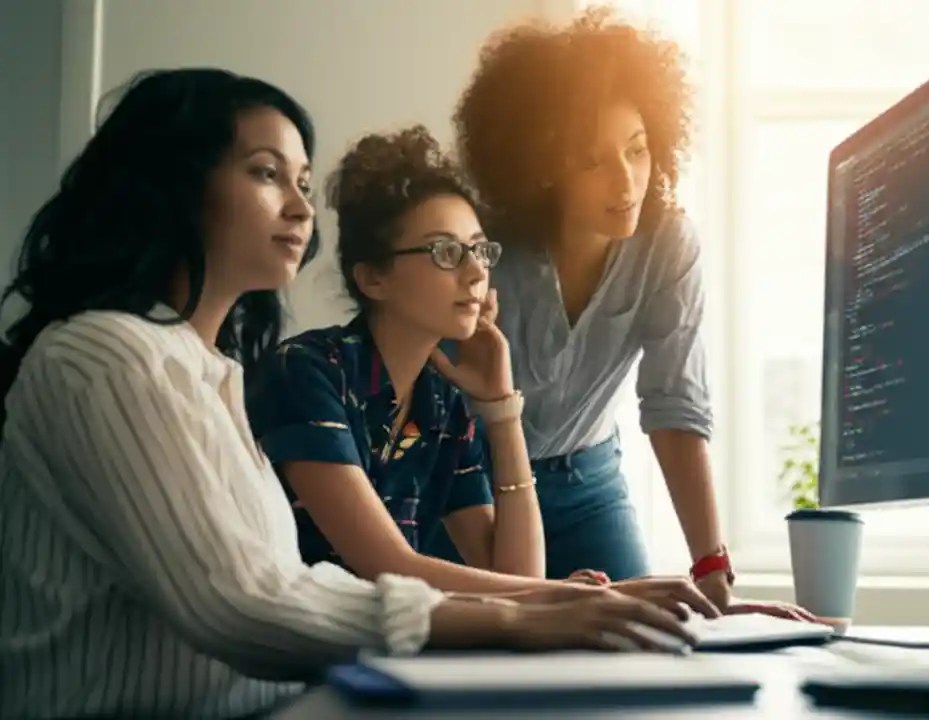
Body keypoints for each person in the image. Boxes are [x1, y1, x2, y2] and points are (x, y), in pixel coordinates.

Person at [0, 69, 697, 720]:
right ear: (175, 187)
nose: (301, 206)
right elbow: (241, 602)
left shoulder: (214, 373)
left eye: (304, 182)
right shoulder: (108, 356)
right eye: (266, 173)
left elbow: (494, 570)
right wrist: (531, 613)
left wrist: (502, 411)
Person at [246, 124, 717, 614]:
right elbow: (386, 565)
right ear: (373, 278)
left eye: (479, 250)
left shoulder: (440, 405)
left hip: (383, 640)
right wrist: (577, 594)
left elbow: (517, 575)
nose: (475, 272)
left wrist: (502, 409)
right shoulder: (307, 372)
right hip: (291, 643)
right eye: (446, 252)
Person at [452, 8, 815, 619]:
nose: (626, 183)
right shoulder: (484, 249)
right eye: (591, 161)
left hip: (590, 485)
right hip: (475, 488)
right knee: (497, 642)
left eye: (638, 150)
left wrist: (712, 568)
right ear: (541, 167)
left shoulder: (668, 245)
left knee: (652, 633)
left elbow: (674, 404)